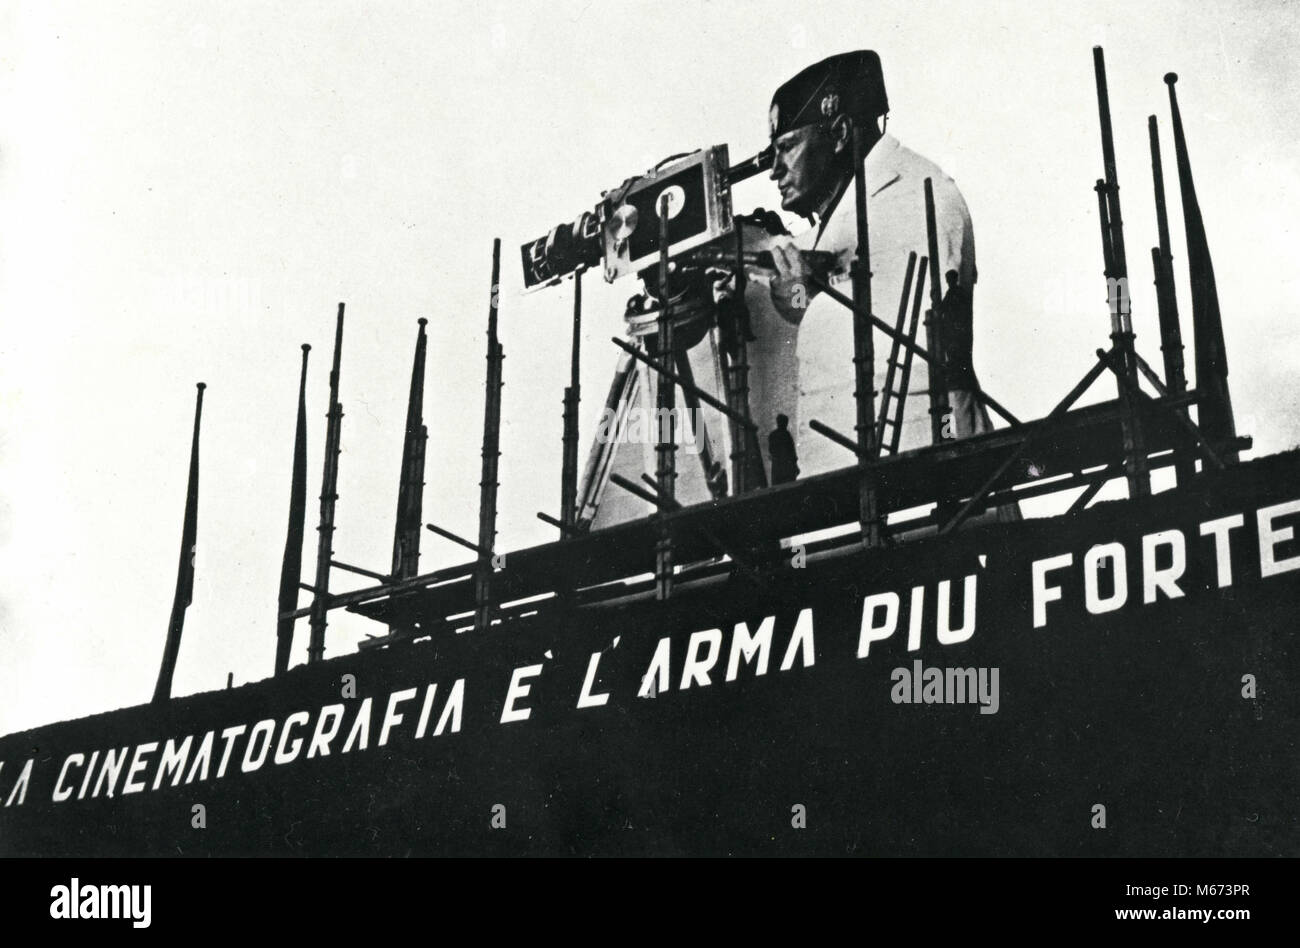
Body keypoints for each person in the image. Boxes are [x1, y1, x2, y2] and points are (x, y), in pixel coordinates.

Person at [751, 50, 999, 476]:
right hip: (844, 471)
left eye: (788, 148)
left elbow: (912, 346)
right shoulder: (842, 211)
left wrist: (801, 292)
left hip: (925, 469)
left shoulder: (920, 193)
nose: (775, 170)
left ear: (841, 132)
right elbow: (818, 307)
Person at [768, 413, 799, 484]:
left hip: (777, 467)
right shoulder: (786, 435)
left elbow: (771, 450)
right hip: (787, 467)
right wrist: (795, 466)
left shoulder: (773, 435)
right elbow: (792, 452)